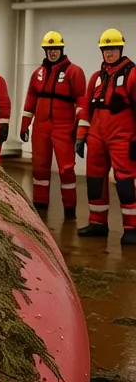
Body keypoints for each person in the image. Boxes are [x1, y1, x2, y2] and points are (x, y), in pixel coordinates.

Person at [76, 28, 136, 245]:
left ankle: (132, 228)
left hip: (123, 138)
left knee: (126, 183)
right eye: (105, 49)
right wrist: (81, 135)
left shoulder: (132, 74)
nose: (109, 53)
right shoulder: (96, 77)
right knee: (94, 180)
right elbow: (85, 109)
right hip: (97, 137)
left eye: (112, 49)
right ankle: (98, 223)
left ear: (120, 49)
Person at [19, 31, 86, 219]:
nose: (52, 53)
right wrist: (24, 125)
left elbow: (82, 103)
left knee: (66, 169)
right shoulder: (37, 74)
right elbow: (30, 101)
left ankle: (70, 208)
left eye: (55, 49)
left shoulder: (75, 72)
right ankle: (40, 203)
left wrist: (80, 130)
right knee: (39, 166)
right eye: (49, 50)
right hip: (40, 127)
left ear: (61, 49)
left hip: (64, 127)